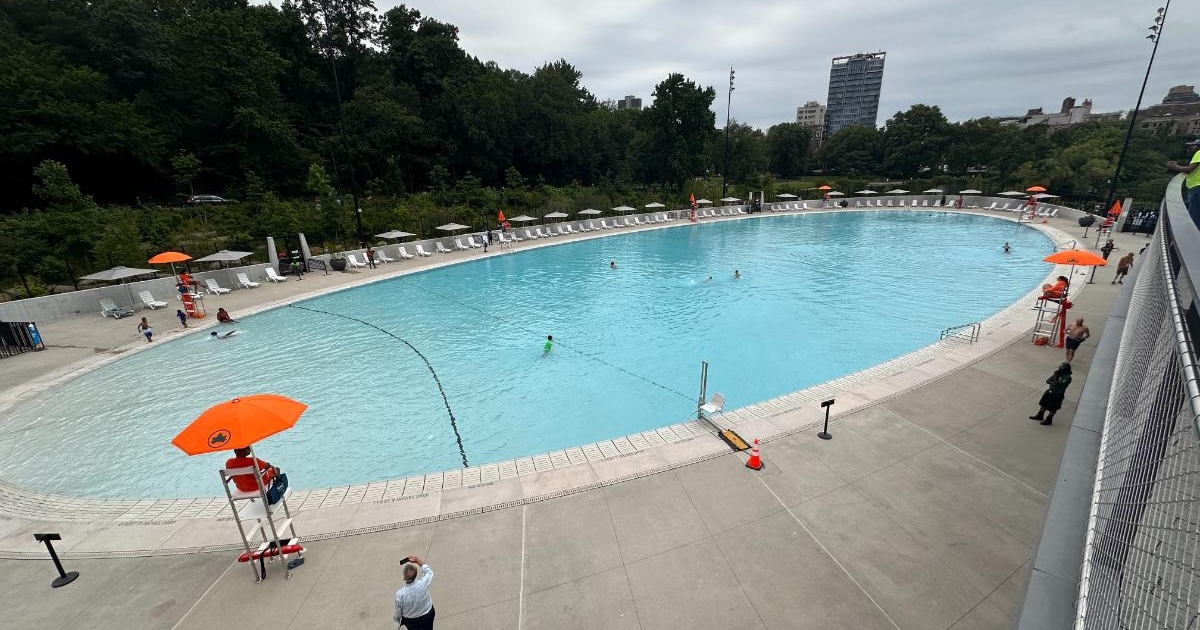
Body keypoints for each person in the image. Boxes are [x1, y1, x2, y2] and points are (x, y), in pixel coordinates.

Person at [394, 556, 435, 630]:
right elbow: (429, 571)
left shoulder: (400, 594)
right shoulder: (423, 583)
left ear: (404, 578)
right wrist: (417, 560)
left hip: (411, 621)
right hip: (427, 615)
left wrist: (397, 620)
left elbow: (398, 613)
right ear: (416, 575)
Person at [1166, 138, 1200, 216]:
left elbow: (1190, 169)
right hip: (1195, 186)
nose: (1190, 148)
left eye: (1193, 146)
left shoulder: (1199, 153)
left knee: (1194, 214)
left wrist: (1175, 167)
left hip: (1196, 186)